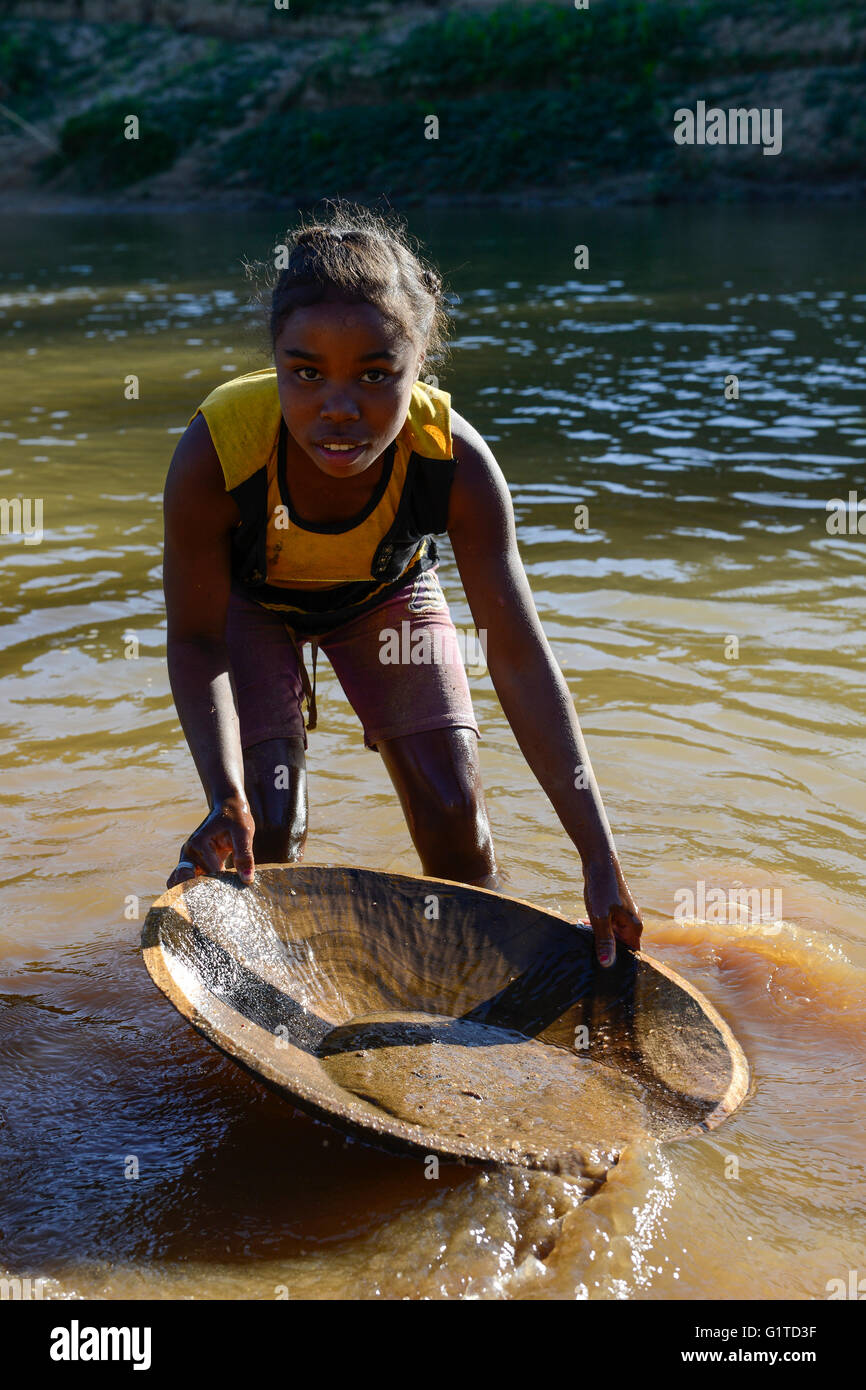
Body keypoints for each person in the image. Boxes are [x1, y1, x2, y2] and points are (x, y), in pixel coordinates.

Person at [162, 203, 642, 968]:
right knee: (269, 822)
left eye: (377, 375)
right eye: (305, 373)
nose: (339, 407)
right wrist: (223, 794)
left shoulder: (453, 461)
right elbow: (193, 638)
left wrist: (598, 857)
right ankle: (277, 989)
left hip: (382, 595)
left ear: (421, 365)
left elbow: (516, 654)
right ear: (276, 363)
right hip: (249, 607)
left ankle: (461, 992)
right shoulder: (219, 449)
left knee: (457, 820)